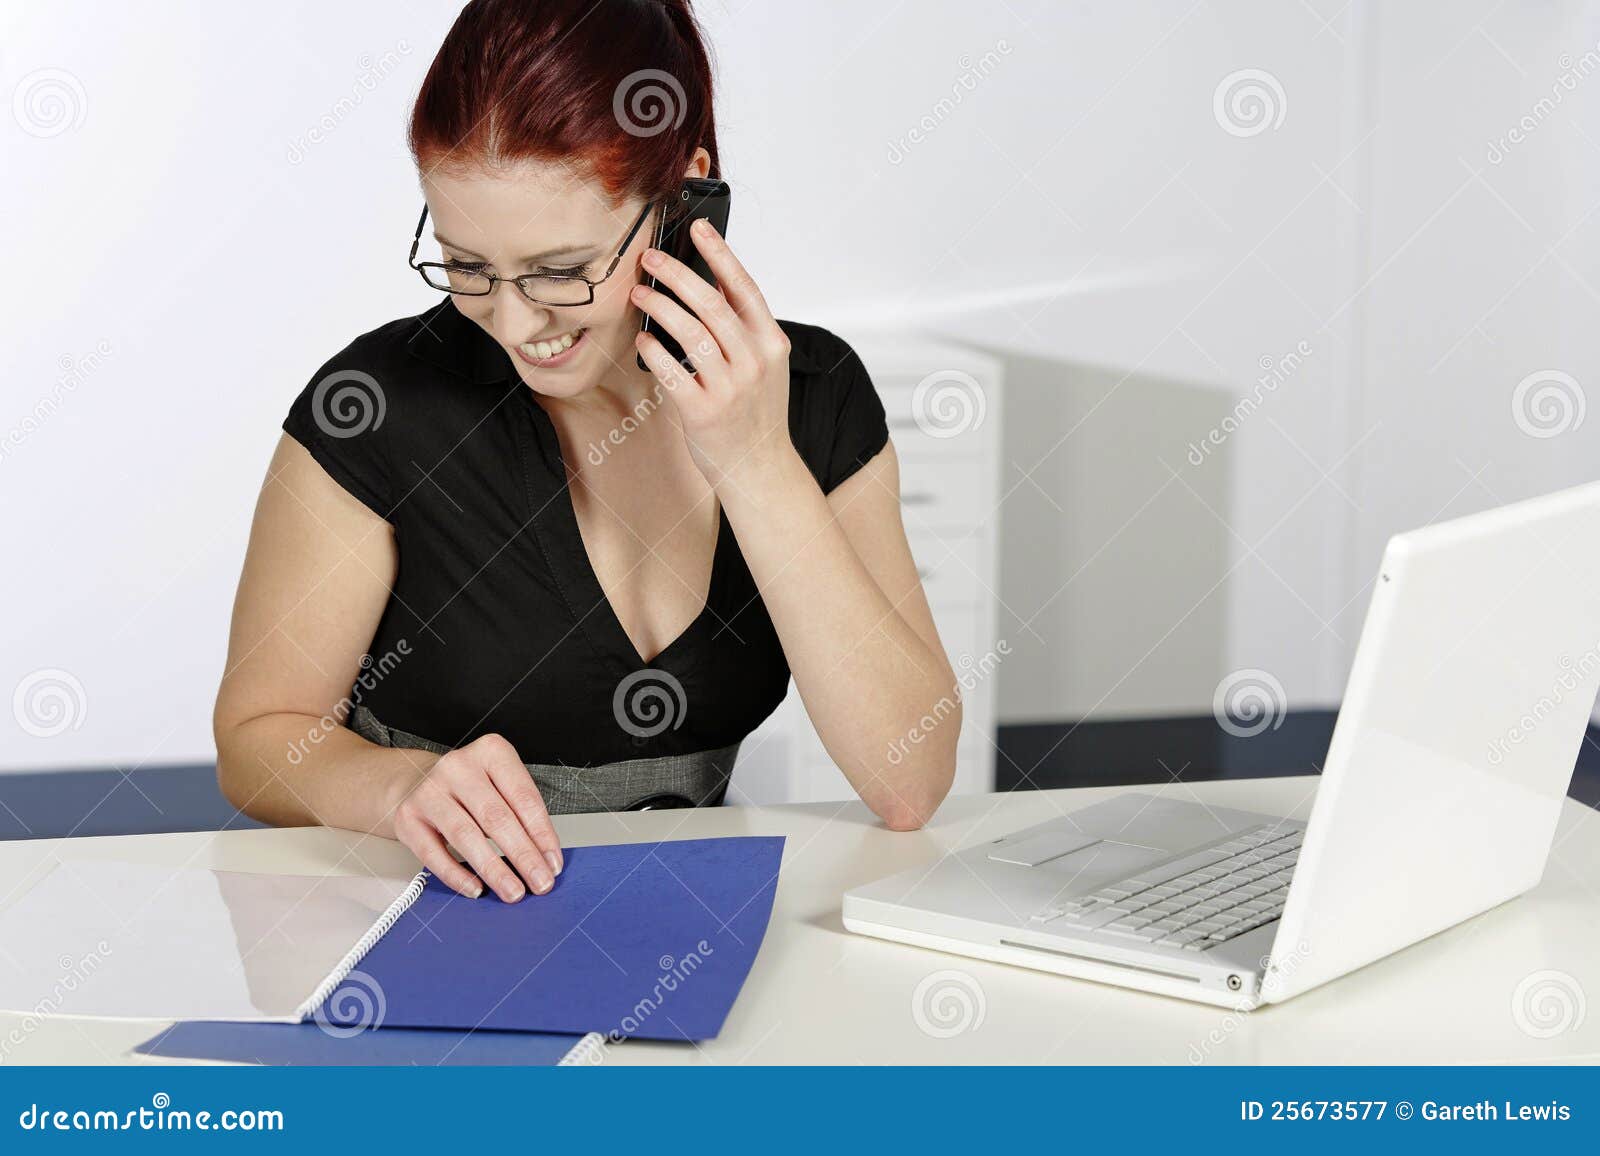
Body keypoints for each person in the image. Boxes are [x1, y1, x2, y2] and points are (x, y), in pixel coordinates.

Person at [213, 0, 958, 902]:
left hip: (676, 936)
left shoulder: (816, 395)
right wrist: (395, 787)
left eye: (562, 270)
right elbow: (257, 741)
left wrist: (756, 462)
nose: (516, 324)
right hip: (404, 933)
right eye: (467, 268)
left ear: (684, 198)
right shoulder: (377, 407)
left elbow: (908, 784)